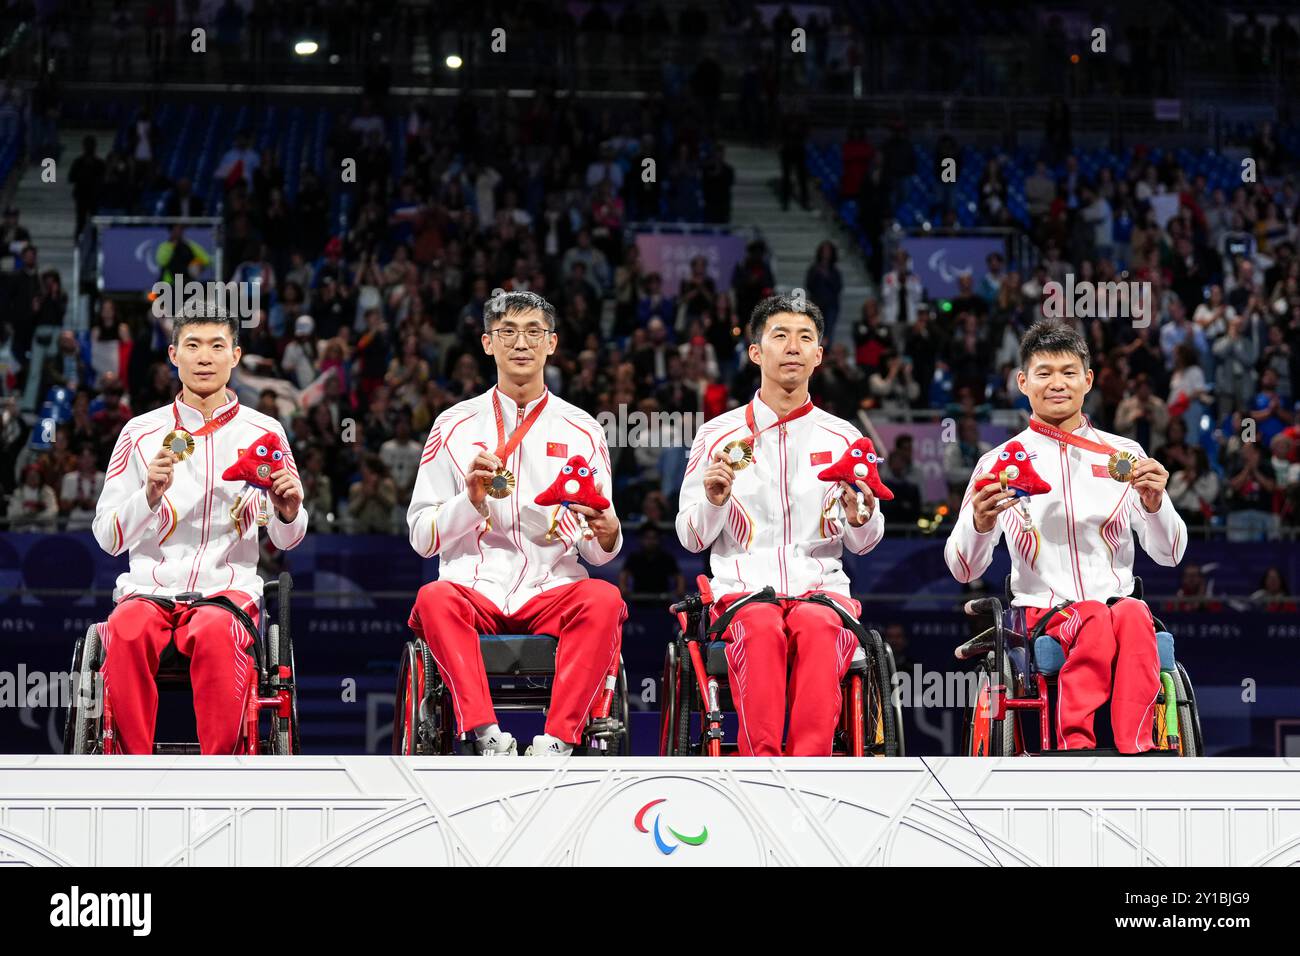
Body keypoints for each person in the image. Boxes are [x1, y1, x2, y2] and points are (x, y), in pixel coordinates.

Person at [945, 321, 1186, 753]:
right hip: (1042, 615)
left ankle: (1140, 748)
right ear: (1023, 382)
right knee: (1091, 616)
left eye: (1069, 372)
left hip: (1118, 607)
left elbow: (1170, 554)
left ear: (1087, 380)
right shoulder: (998, 464)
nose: (1057, 383)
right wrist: (979, 524)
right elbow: (964, 566)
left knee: (1133, 614)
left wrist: (1155, 503)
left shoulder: (1124, 456)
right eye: (1044, 373)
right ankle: (1076, 747)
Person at [406, 291, 626, 757]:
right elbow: (421, 538)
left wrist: (607, 530)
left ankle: (558, 741)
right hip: (474, 588)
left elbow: (600, 549)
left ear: (552, 344)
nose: (520, 343)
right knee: (433, 597)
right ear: (488, 343)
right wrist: (470, 501)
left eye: (533, 332)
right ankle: (487, 736)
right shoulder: (452, 426)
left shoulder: (582, 429)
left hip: (552, 588)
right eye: (507, 332)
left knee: (604, 597)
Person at [676, 293, 886, 756]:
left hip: (821, 590)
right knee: (760, 625)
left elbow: (867, 542)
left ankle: (809, 769)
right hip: (744, 594)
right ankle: (761, 769)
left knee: (818, 625)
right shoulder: (717, 435)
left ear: (818, 355)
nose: (793, 346)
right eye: (780, 336)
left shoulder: (845, 438)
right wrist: (713, 502)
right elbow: (691, 536)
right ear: (756, 352)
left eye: (805, 338)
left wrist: (860, 516)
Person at [92, 309, 307, 754]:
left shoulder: (265, 431)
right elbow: (108, 537)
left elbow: (287, 539)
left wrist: (288, 512)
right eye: (192, 345)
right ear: (174, 355)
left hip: (226, 592)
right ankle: (133, 769)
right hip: (149, 592)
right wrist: (148, 495)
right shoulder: (140, 433)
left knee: (214, 631)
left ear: (236, 356)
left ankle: (217, 772)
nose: (204, 357)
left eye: (216, 346)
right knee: (125, 629)